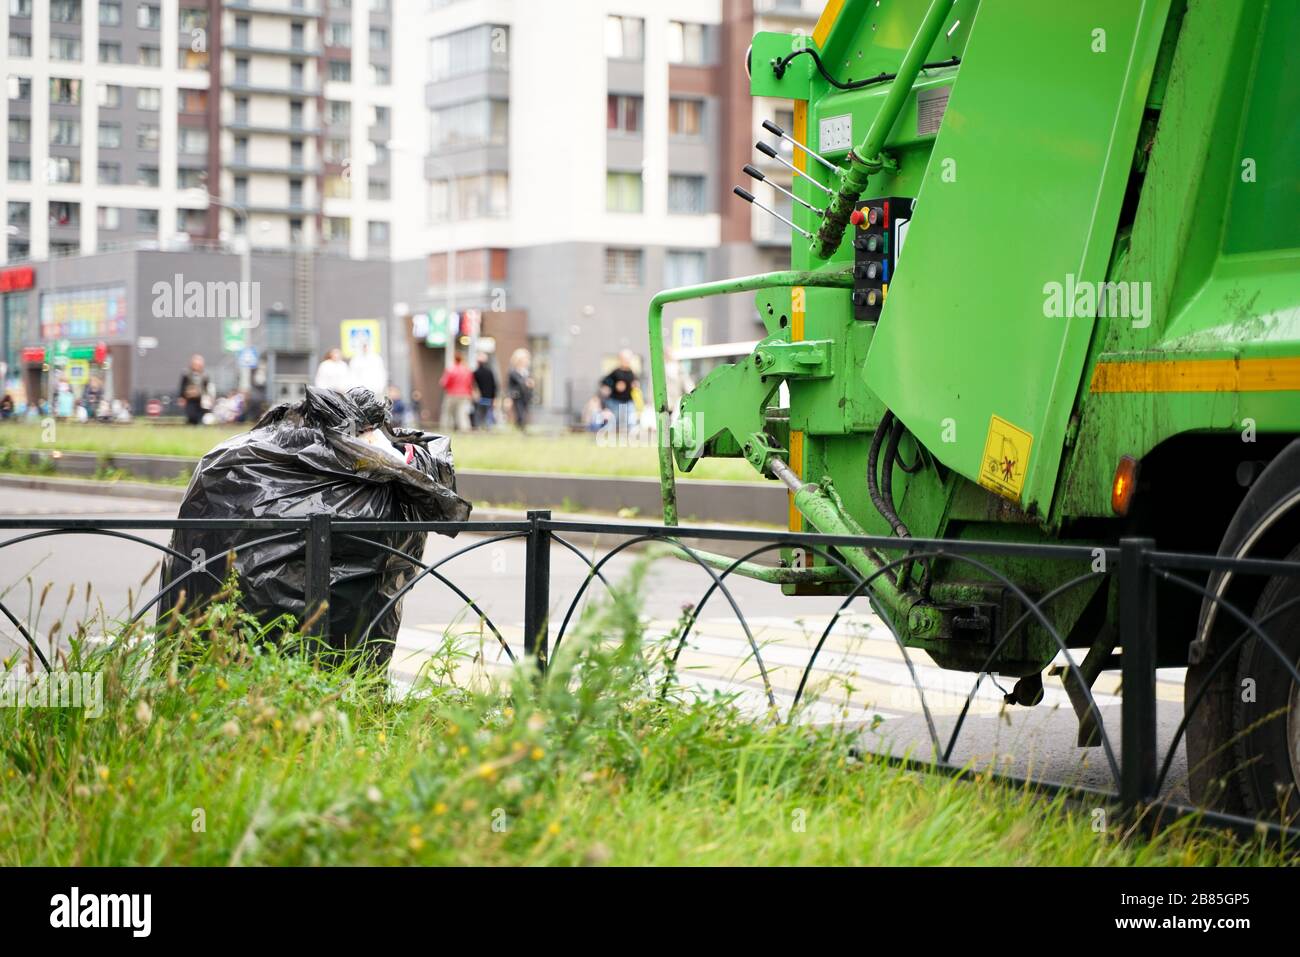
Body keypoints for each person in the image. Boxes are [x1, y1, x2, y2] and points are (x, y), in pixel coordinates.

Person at [600, 349, 639, 437]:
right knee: (614, 420)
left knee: (630, 419)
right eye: (625, 359)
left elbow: (635, 383)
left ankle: (631, 436)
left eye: (629, 359)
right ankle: (608, 435)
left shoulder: (631, 372)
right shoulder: (615, 372)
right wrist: (613, 386)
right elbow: (605, 383)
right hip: (615, 401)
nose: (627, 361)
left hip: (628, 400)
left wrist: (635, 385)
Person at [438, 352, 474, 432]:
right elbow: (470, 383)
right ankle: (464, 429)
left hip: (452, 394)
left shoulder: (451, 370)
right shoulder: (467, 370)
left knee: (447, 412)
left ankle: (446, 428)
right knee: (462, 413)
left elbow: (444, 383)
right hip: (464, 394)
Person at [178, 354, 212, 425]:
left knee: (200, 415)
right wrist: (182, 397)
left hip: (201, 399)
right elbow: (182, 386)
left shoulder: (205, 375)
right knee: (191, 414)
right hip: (190, 398)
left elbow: (206, 388)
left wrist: (208, 397)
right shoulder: (186, 374)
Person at [506, 348, 534, 431]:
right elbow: (511, 385)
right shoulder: (513, 372)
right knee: (519, 412)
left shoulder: (527, 372)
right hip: (517, 396)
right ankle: (520, 427)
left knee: (525, 412)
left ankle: (522, 427)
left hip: (526, 396)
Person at [471, 351, 498, 429]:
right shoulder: (490, 372)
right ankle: (488, 427)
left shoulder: (475, 373)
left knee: (479, 413)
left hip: (480, 398)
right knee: (488, 413)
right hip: (488, 397)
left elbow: (473, 385)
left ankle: (478, 426)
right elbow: (494, 386)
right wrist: (494, 397)